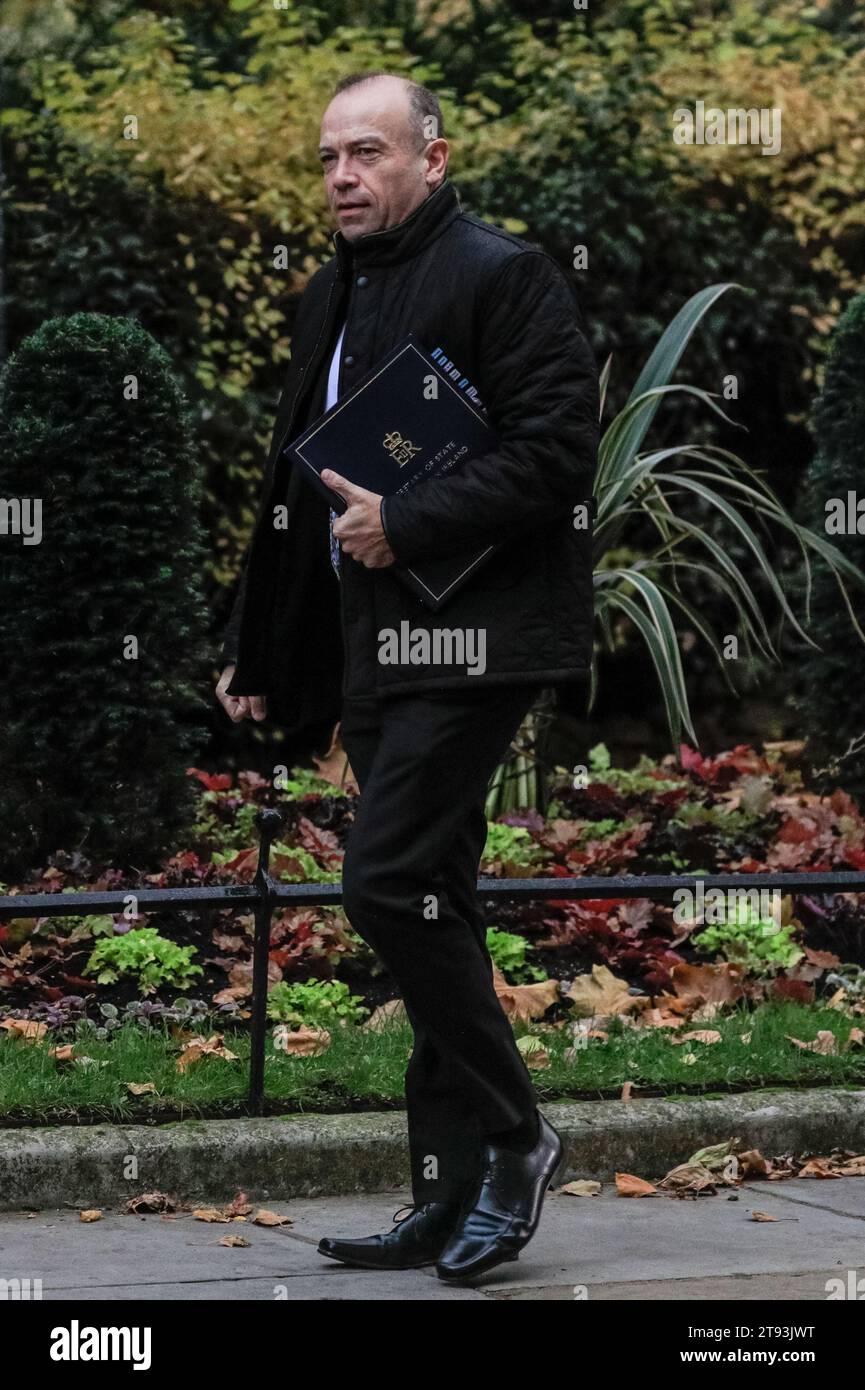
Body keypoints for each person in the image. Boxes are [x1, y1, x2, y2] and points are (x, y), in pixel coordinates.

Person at [216, 70, 599, 1284]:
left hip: (479, 640)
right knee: (433, 895)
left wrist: (412, 522)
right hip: (375, 644)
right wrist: (260, 651)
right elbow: (300, 489)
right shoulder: (333, 289)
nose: (341, 177)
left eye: (368, 153)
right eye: (328, 157)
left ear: (433, 160)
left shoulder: (503, 274)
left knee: (382, 883)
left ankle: (520, 1133)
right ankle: (445, 1199)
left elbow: (556, 456)